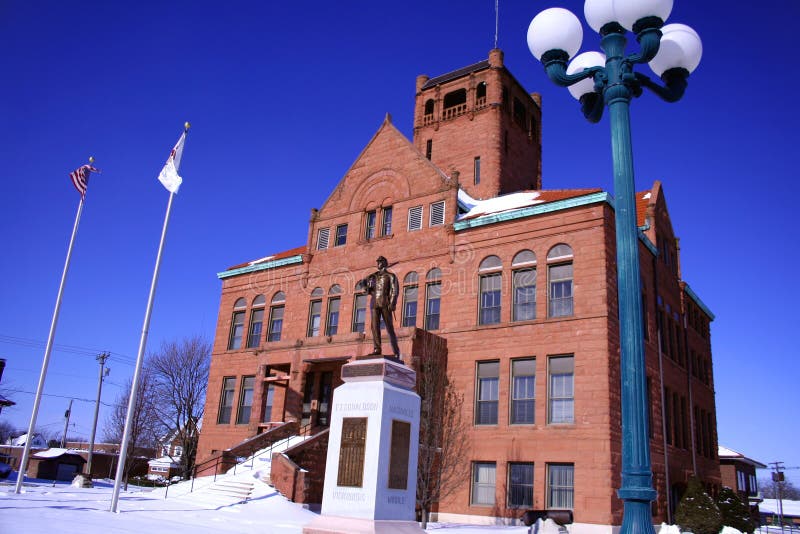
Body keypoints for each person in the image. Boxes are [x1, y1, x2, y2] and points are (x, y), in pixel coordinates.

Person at [357, 256, 401, 359]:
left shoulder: (391, 276)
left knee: (389, 328)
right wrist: (364, 287)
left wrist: (393, 303)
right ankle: (377, 349)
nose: (378, 263)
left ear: (385, 263)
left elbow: (395, 291)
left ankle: (396, 350)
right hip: (374, 304)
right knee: (374, 327)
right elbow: (362, 282)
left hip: (385, 303)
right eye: (378, 262)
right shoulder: (373, 276)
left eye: (380, 262)